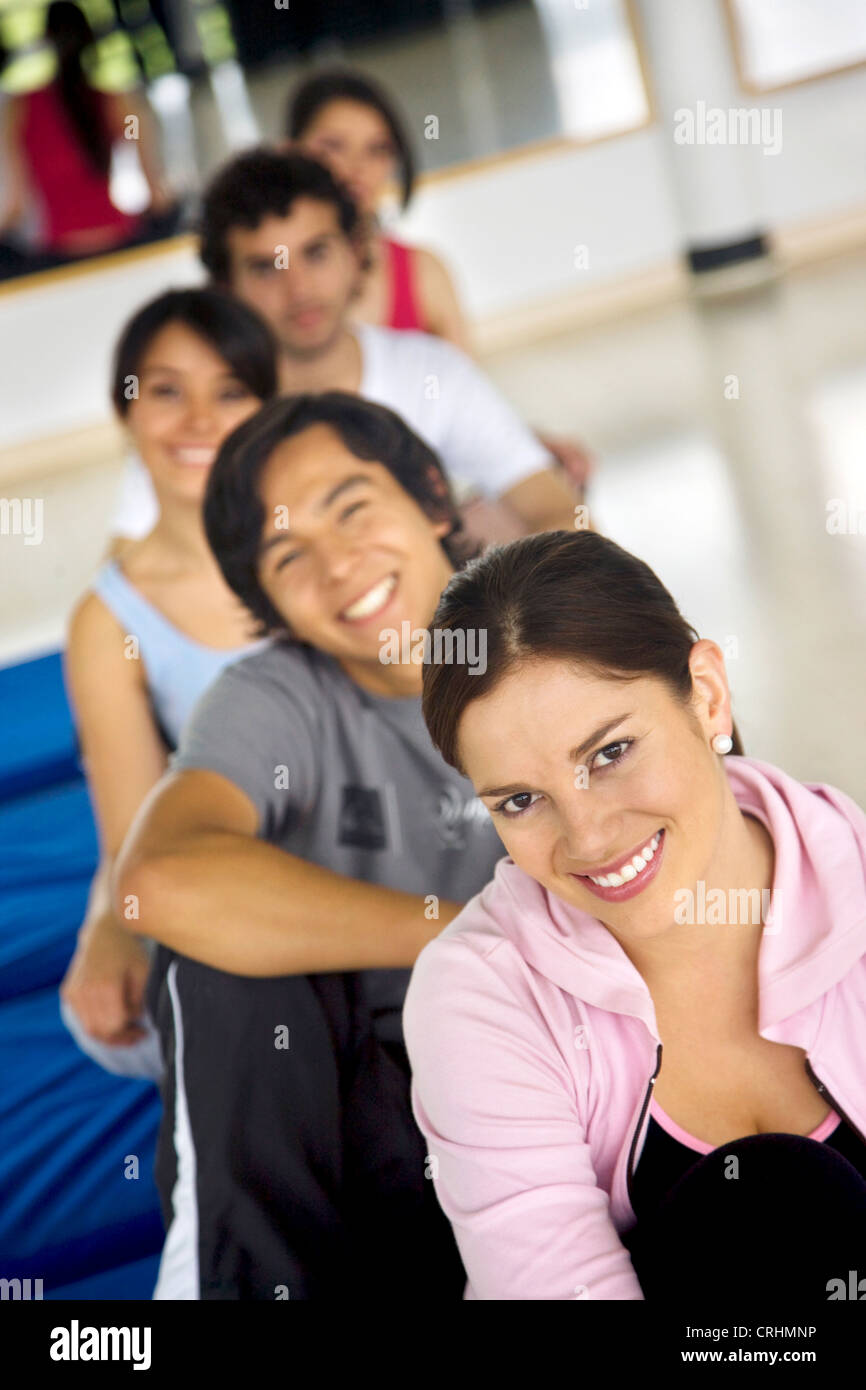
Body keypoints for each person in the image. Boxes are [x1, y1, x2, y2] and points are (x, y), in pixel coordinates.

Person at [113, 393, 511, 1300]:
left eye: (354, 508)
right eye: (291, 556)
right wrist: (476, 934)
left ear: (434, 501)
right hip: (365, 1116)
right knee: (215, 964)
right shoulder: (274, 696)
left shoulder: (556, 631)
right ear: (271, 606)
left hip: (567, 1074)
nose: (339, 568)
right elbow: (162, 879)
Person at [404, 528, 866, 1301]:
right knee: (769, 1195)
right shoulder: (480, 993)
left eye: (611, 753)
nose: (587, 837)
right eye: (521, 801)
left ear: (708, 695)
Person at [109, 147, 580, 552]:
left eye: (316, 253)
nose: (298, 290)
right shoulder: (207, 417)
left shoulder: (430, 371)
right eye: (265, 268)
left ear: (356, 254)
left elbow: (555, 509)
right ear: (225, 288)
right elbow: (128, 574)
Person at [60, 288, 279, 1080]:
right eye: (165, 391)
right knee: (124, 1014)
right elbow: (134, 831)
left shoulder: (316, 547)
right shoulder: (109, 618)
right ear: (126, 411)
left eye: (228, 391)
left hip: (372, 832)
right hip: (236, 875)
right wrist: (108, 925)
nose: (197, 420)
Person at [286, 66, 594, 490]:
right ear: (290, 151)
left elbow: (469, 404)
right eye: (333, 146)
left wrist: (530, 448)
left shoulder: (423, 272)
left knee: (560, 489)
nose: (356, 168)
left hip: (429, 492)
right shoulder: (269, 286)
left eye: (377, 149)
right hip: (314, 494)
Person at [0, 2, 176, 280]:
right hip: (123, 239)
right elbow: (154, 189)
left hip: (59, 254)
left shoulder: (19, 110)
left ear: (45, 40)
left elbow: (15, 206)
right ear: (92, 39)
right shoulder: (120, 104)